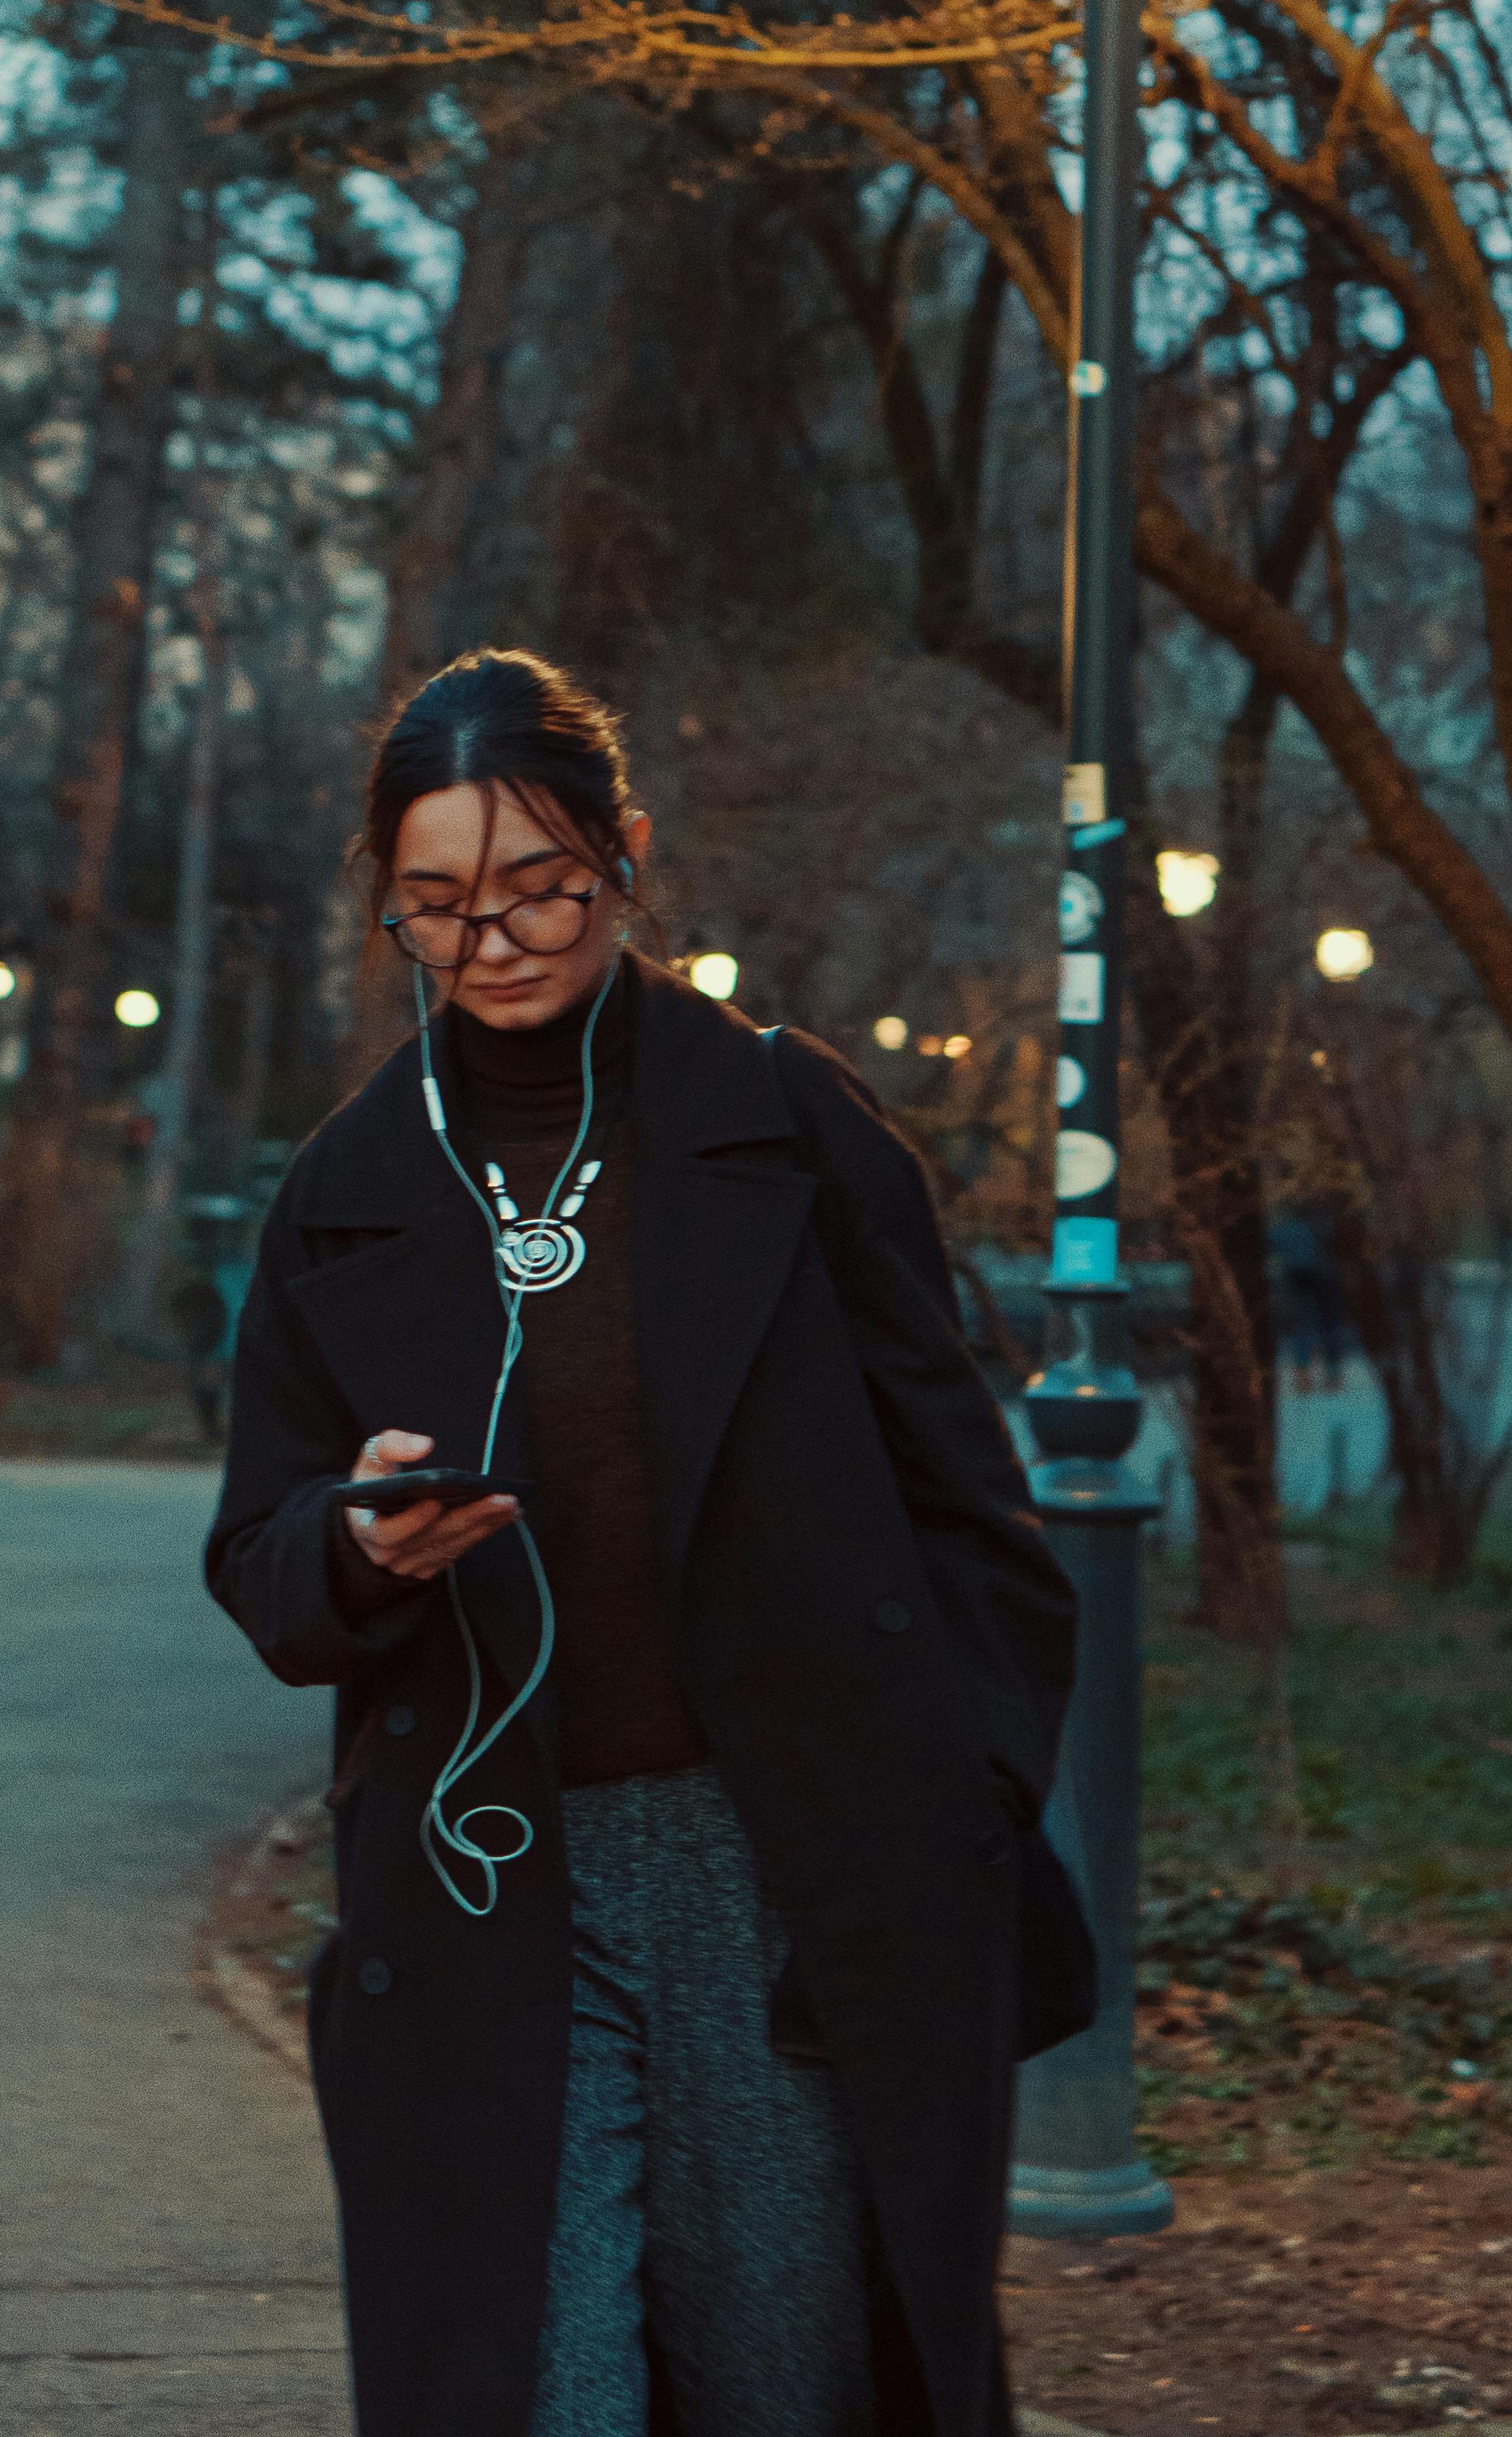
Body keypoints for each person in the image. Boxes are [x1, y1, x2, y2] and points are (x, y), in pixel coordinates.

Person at [206, 648, 1093, 2437]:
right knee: (543, 2387)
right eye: (437, 905)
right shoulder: (349, 1188)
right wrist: (357, 1550)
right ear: (391, 907)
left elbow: (973, 1519)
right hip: (483, 1875)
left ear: (627, 853)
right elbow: (260, 1554)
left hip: (776, 1860)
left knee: (789, 2375)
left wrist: (957, 1811)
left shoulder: (791, 1127)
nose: (496, 940)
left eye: (541, 886)